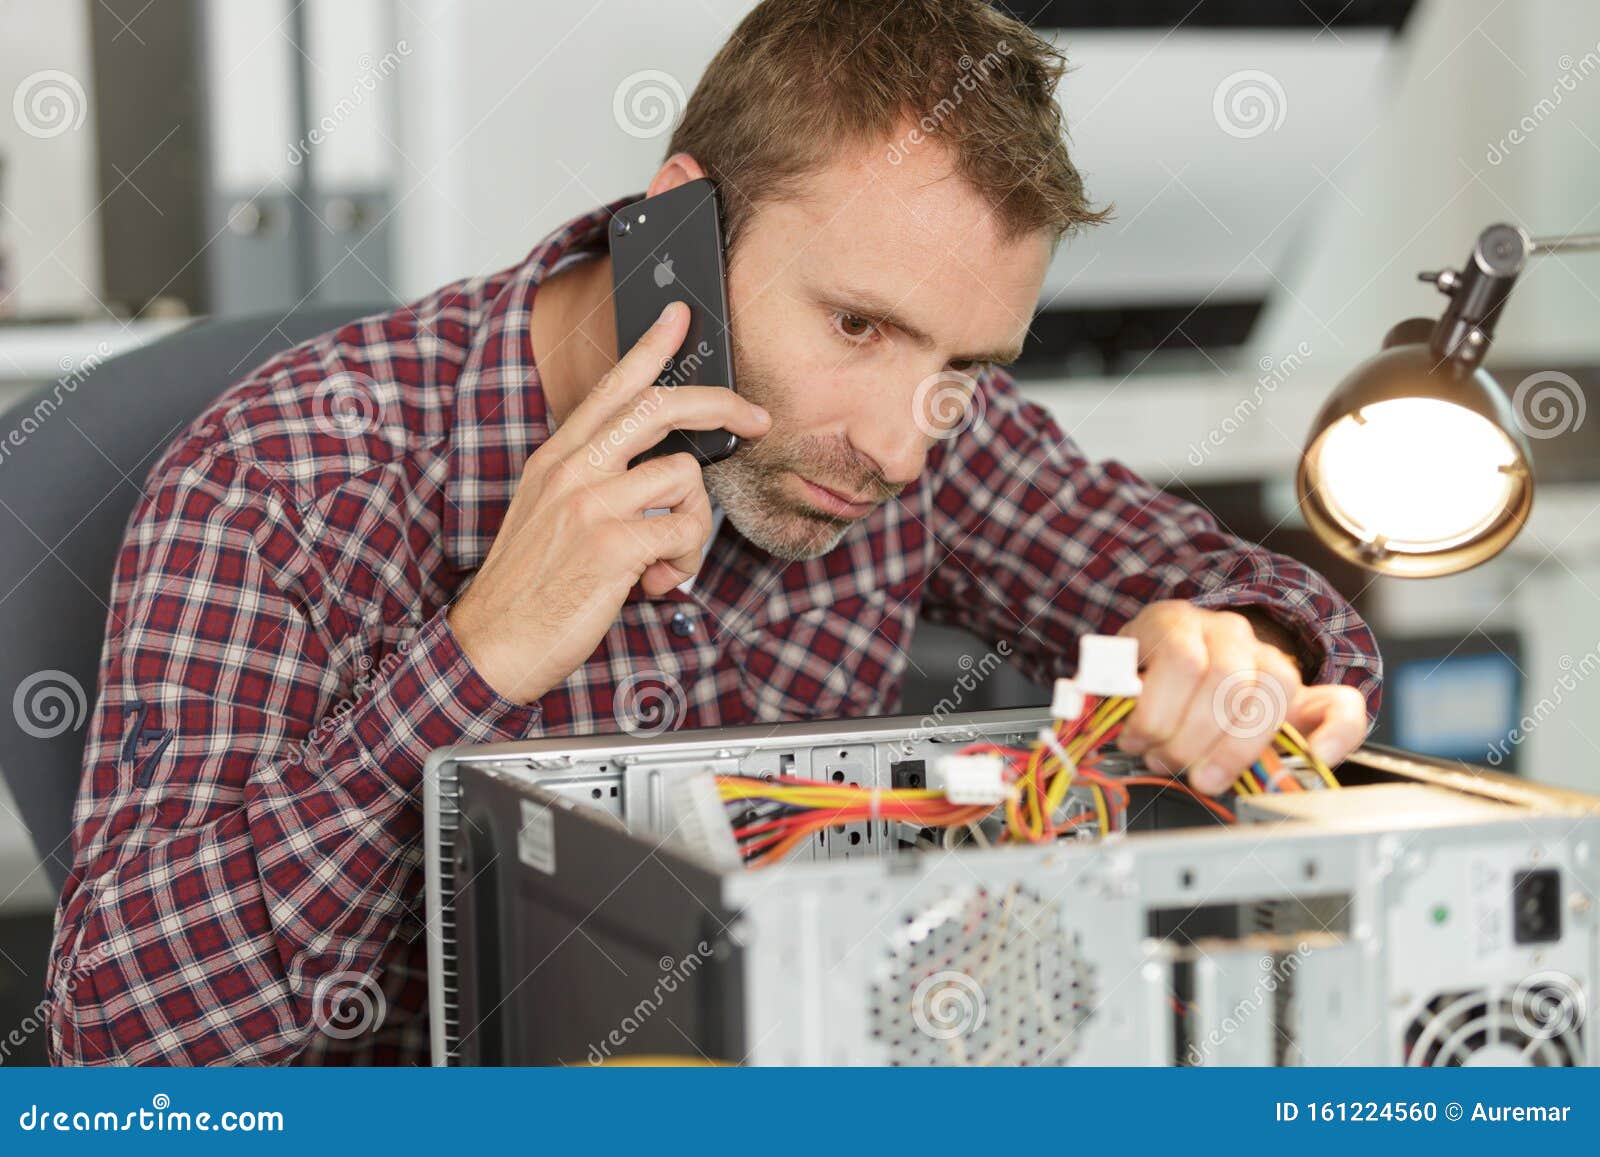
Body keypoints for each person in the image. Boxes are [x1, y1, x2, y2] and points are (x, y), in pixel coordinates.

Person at [48, 0, 1380, 1065]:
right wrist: (480, 657)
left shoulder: (908, 430)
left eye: (963, 361)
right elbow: (126, 1047)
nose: (904, 443)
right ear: (678, 226)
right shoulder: (292, 477)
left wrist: (1238, 653)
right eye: (857, 325)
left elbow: (1235, 597)